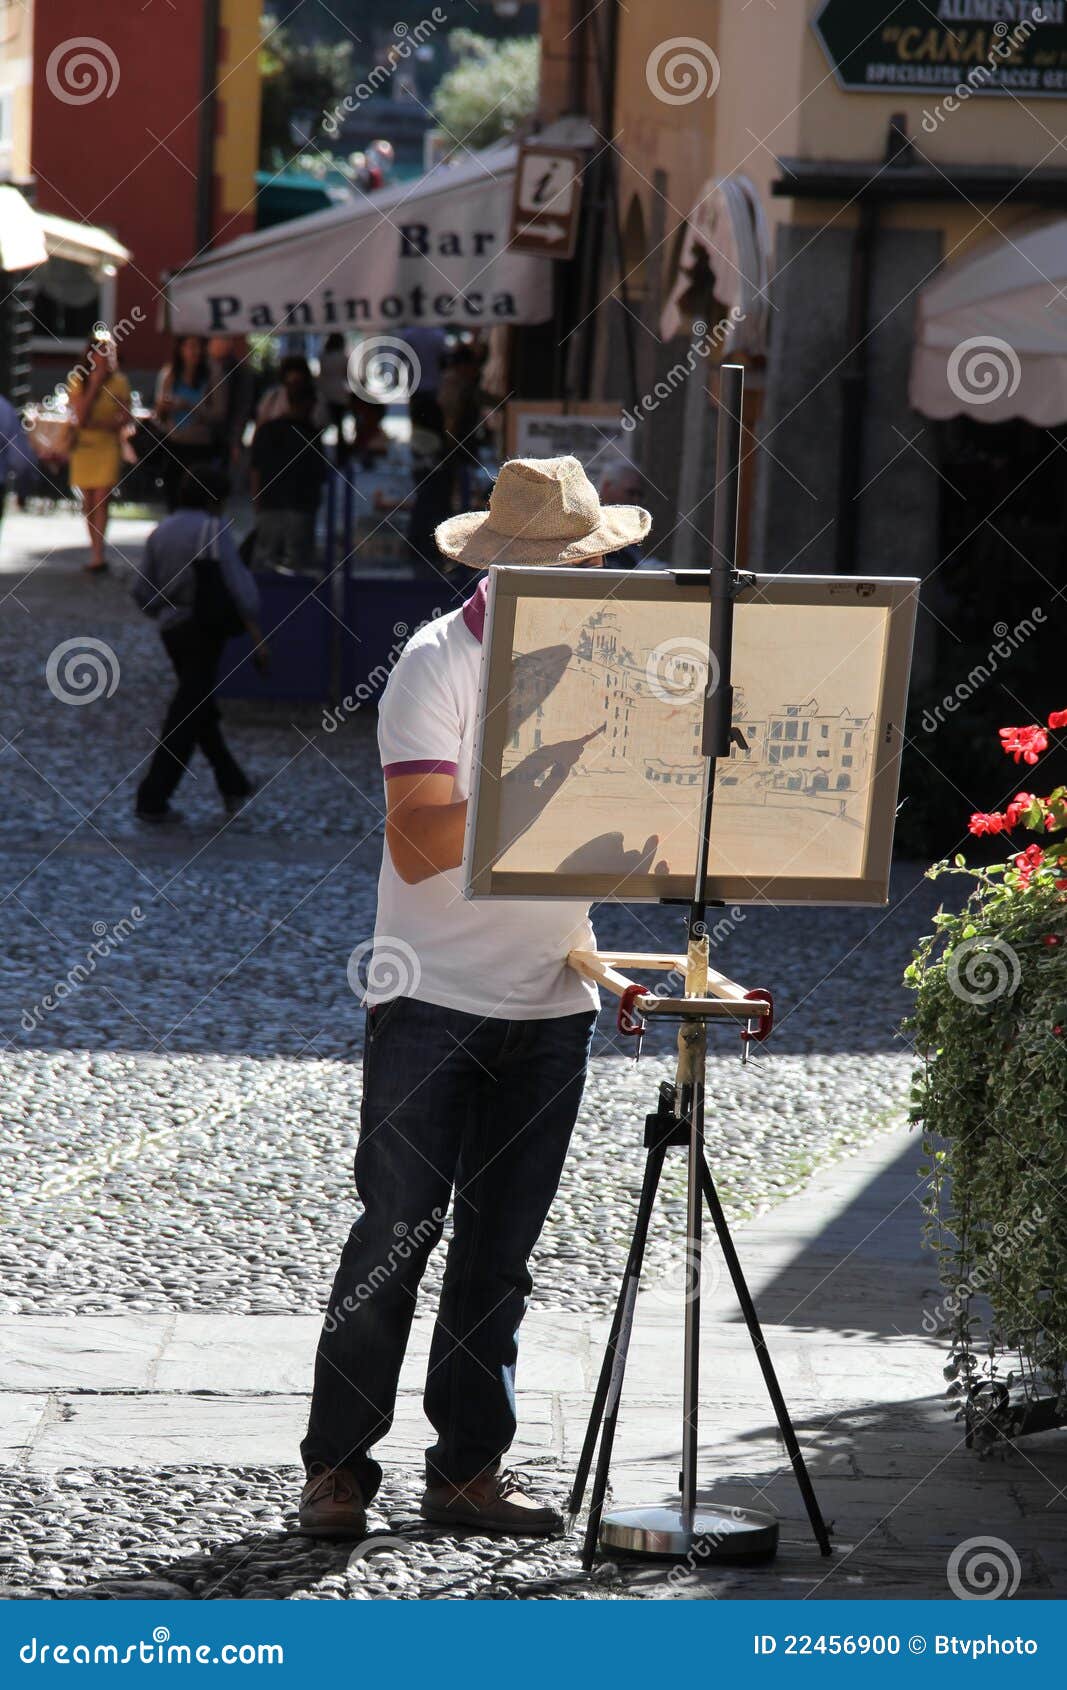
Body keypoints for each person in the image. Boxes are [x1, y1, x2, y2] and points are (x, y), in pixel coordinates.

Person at [299, 456, 652, 1539]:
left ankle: (465, 1472)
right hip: (430, 997)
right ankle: (338, 1470)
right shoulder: (433, 664)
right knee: (393, 1236)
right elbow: (416, 843)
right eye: (568, 568)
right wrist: (557, 775)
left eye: (590, 566)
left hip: (551, 1000)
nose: (587, 585)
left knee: (501, 1255)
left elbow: (642, 820)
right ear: (503, 570)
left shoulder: (615, 669)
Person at [132, 466, 266, 823]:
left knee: (197, 706)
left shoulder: (161, 531)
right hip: (203, 631)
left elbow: (142, 590)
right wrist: (255, 626)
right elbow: (239, 586)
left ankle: (232, 780)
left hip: (171, 630)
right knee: (188, 712)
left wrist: (165, 608)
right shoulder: (213, 530)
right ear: (215, 499)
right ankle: (153, 796)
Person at [68, 329, 133, 573]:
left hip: (107, 445)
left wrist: (110, 423)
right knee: (88, 500)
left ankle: (99, 554)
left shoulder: (120, 382)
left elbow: (126, 416)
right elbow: (81, 418)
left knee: (102, 497)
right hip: (84, 446)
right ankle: (93, 544)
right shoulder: (77, 380)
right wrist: (94, 384)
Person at [250, 374, 328, 572]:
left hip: (269, 506)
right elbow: (320, 477)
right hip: (300, 509)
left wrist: (257, 502)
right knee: (297, 570)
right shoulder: (312, 436)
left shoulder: (266, 430)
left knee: (265, 567)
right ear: (309, 403)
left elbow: (255, 469)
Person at [155, 336, 223, 511]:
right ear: (181, 349)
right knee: (174, 499)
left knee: (199, 501)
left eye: (200, 347)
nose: (196, 352)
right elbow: (159, 415)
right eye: (191, 347)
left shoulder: (212, 375)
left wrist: (190, 406)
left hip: (201, 447)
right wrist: (164, 407)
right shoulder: (170, 374)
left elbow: (218, 414)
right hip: (175, 445)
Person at [318, 333, 354, 462]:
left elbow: (321, 375)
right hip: (339, 394)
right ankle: (341, 455)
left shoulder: (323, 357)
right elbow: (347, 376)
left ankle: (322, 452)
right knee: (339, 426)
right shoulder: (343, 358)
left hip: (326, 393)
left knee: (323, 424)